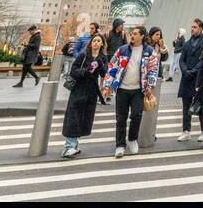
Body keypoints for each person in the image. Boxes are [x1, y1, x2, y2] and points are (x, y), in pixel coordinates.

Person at [105, 25, 159, 158]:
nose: (132, 35)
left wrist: (149, 86)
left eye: (135, 33)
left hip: (138, 91)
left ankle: (132, 139)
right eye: (132, 33)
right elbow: (112, 66)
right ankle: (120, 145)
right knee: (120, 119)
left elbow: (153, 69)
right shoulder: (122, 50)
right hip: (122, 89)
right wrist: (107, 86)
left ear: (142, 36)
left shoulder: (149, 51)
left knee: (136, 115)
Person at [62, 33, 109, 158]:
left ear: (102, 43)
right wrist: (86, 70)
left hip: (91, 92)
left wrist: (101, 65)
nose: (96, 43)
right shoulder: (83, 55)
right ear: (90, 43)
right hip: (79, 89)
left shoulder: (103, 57)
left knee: (83, 118)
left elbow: (105, 74)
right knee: (74, 116)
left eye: (99, 41)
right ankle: (69, 146)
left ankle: (74, 145)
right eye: (94, 41)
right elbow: (73, 71)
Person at [177, 18, 203, 142]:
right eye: (192, 27)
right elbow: (181, 60)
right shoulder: (187, 43)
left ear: (201, 28)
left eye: (195, 27)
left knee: (200, 106)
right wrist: (185, 71)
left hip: (199, 78)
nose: (192, 29)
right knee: (186, 107)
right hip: (186, 78)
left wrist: (193, 71)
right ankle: (186, 131)